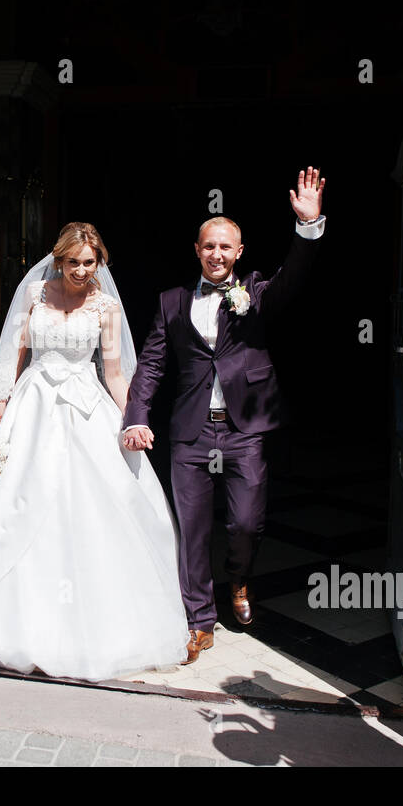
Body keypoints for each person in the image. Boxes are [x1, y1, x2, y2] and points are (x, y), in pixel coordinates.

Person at [0, 222, 188, 681]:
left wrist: (133, 418)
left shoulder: (107, 307)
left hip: (85, 408)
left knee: (95, 508)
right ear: (59, 259)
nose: (81, 271)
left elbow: (115, 374)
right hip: (32, 404)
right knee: (7, 504)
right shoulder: (34, 294)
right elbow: (11, 354)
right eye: (73, 262)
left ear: (100, 262)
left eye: (89, 263)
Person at [122, 168, 327, 664]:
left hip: (244, 429)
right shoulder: (171, 302)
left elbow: (294, 279)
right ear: (197, 250)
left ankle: (238, 578)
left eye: (226, 248)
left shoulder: (254, 293)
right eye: (208, 246)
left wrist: (308, 226)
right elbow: (151, 363)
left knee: (244, 523)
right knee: (191, 528)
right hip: (191, 431)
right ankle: (198, 619)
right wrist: (135, 416)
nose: (217, 254)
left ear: (239, 253)